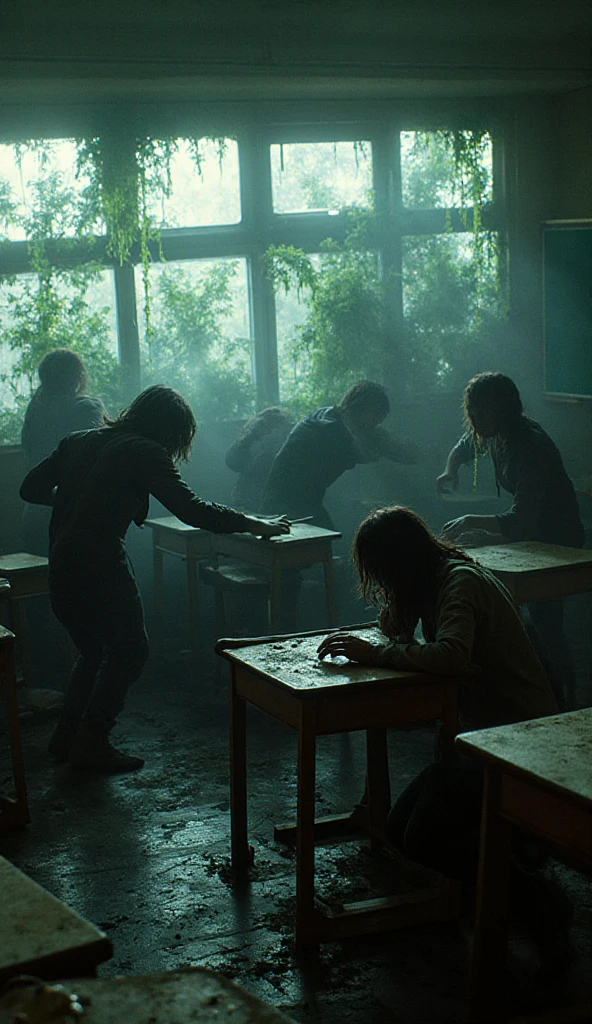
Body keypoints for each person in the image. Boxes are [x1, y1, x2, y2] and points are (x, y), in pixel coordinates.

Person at [317, 508, 570, 966]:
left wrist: (383, 652)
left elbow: (451, 656)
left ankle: (535, 897)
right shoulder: (428, 583)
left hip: (517, 738)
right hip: (481, 737)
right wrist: (400, 606)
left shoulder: (460, 582)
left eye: (385, 573)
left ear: (402, 562)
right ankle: (512, 864)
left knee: (424, 836)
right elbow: (396, 631)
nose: (381, 582)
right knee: (398, 828)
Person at [20, 385, 290, 773]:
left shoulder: (78, 440)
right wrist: (252, 524)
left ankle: (65, 737)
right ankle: (92, 740)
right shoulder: (145, 451)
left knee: (93, 652)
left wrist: (74, 499)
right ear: (172, 431)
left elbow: (29, 488)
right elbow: (192, 510)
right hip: (101, 563)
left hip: (61, 561)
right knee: (130, 651)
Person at [437, 371, 584, 708]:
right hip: (528, 537)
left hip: (557, 543)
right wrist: (450, 468)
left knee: (546, 623)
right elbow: (465, 446)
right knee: (524, 619)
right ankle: (526, 690)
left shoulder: (529, 445)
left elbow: (522, 520)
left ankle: (563, 699)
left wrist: (476, 522)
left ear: (504, 410)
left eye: (483, 411)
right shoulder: (493, 432)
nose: (475, 418)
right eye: (471, 411)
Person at [263, 380, 419, 530]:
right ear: (362, 408)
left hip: (292, 499)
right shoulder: (333, 431)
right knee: (324, 544)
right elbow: (370, 451)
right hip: (290, 504)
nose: (377, 422)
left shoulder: (328, 416)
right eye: (376, 414)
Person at [21, 349, 105, 555]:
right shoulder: (86, 409)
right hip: (75, 511)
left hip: (35, 509)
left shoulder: (35, 412)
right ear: (78, 376)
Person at [225, 407, 292, 512]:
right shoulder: (249, 444)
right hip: (248, 503)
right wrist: (250, 438)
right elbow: (232, 462)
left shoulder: (288, 445)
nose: (274, 433)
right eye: (270, 427)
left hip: (277, 503)